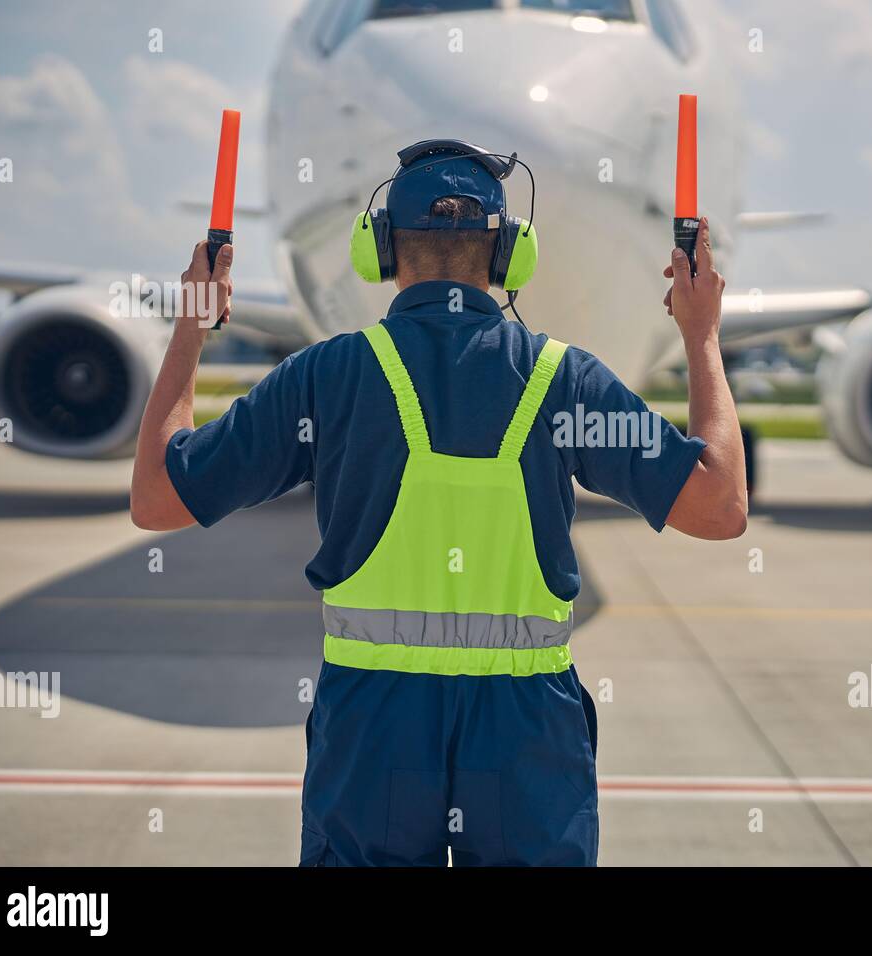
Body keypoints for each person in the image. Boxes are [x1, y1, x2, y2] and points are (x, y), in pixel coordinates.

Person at [130, 140, 746, 866]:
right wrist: (702, 336)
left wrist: (189, 329)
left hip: (373, 727)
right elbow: (719, 507)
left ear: (381, 250)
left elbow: (158, 498)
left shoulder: (327, 375)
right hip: (525, 732)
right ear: (512, 255)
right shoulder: (564, 381)